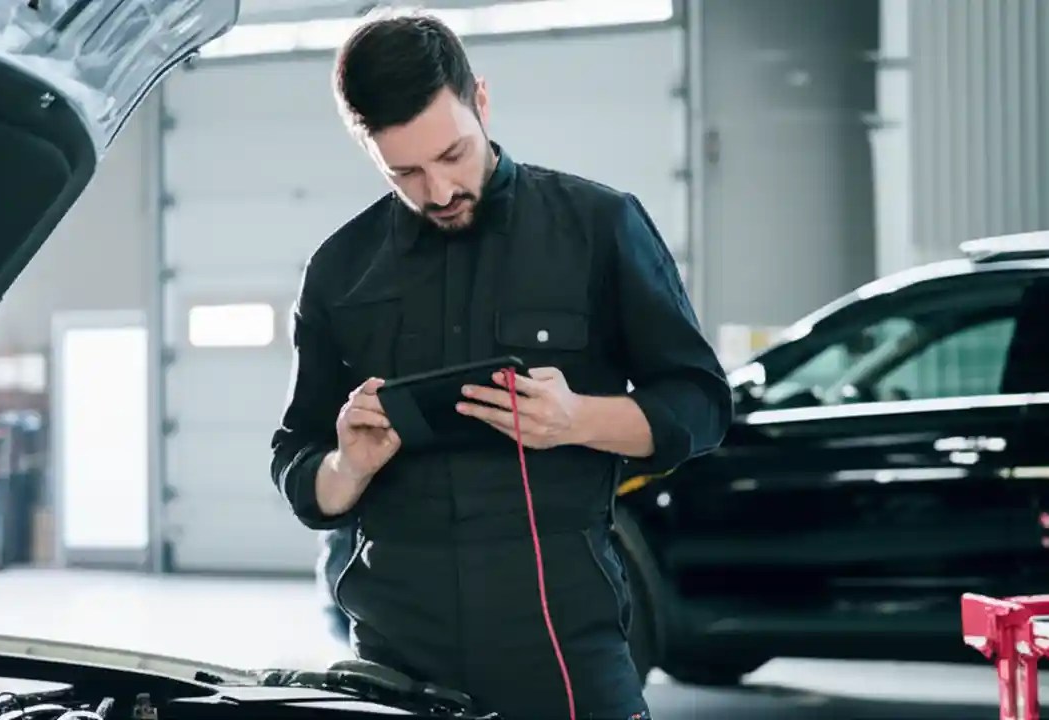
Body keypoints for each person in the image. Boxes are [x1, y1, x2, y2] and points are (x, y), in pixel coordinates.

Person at [271, 9, 732, 719]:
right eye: (405, 172)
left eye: (452, 154)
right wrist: (346, 467)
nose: (439, 190)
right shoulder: (338, 271)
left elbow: (700, 407)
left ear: (480, 101)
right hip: (396, 649)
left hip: (562, 642)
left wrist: (578, 419)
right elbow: (297, 462)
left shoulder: (599, 227)